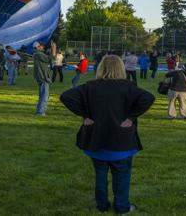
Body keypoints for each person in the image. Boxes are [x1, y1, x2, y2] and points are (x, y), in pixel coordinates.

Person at [61, 55, 156, 214]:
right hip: (121, 140)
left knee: (101, 175)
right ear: (121, 68)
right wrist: (85, 115)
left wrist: (130, 117)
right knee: (122, 176)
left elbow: (66, 96)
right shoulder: (127, 86)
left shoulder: (92, 87)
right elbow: (148, 97)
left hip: (98, 139)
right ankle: (121, 207)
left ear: (101, 68)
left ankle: (102, 206)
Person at [32, 45, 54, 116]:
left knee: (42, 94)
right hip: (42, 77)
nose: (43, 47)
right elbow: (49, 59)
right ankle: (40, 112)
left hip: (40, 76)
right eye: (41, 46)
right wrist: (53, 51)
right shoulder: (39, 54)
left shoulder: (37, 54)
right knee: (44, 95)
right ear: (37, 47)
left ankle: (40, 110)